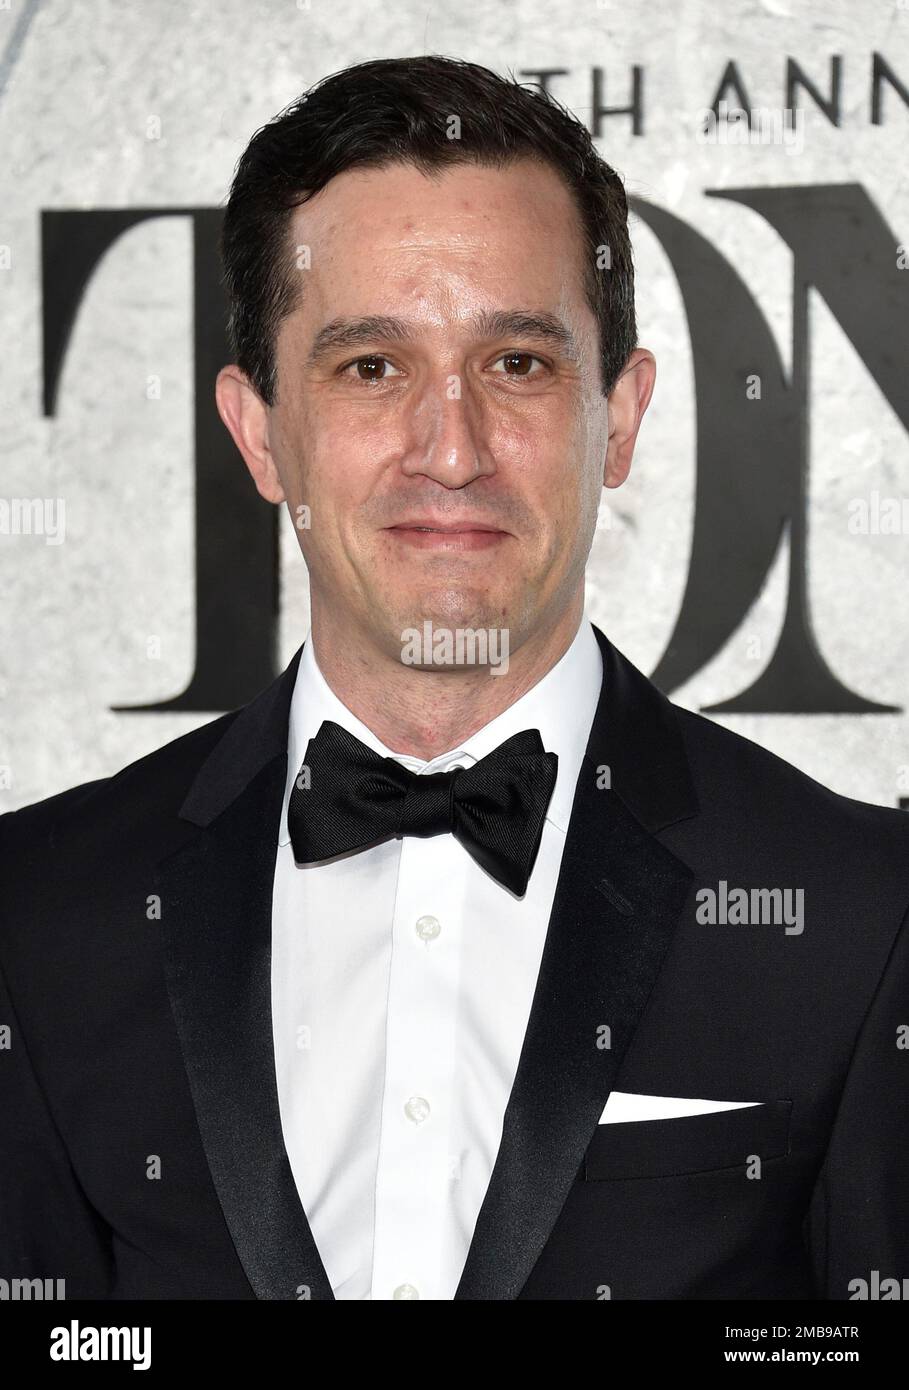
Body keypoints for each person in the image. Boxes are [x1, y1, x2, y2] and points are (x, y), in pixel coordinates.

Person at [1, 54, 907, 1302]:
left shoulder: (861, 914)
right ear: (261, 432)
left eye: (518, 364)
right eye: (371, 365)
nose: (452, 447)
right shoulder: (39, 911)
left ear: (622, 416)